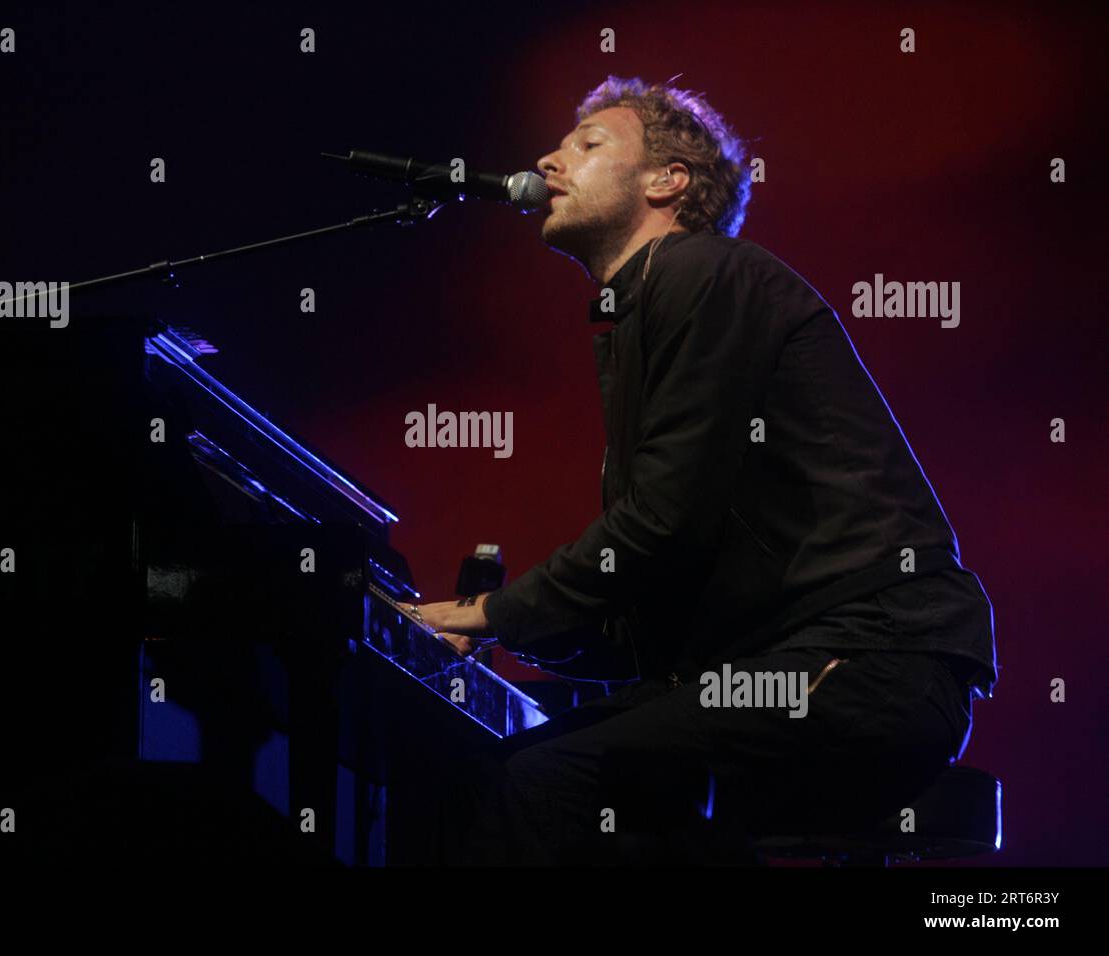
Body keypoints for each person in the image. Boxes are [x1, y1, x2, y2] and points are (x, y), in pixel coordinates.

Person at [399, 75, 998, 865]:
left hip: (868, 659)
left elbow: (664, 520)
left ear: (666, 181)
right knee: (492, 765)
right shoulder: (646, 308)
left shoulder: (703, 273)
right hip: (782, 660)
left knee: (552, 781)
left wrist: (495, 615)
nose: (548, 159)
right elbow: (655, 598)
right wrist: (508, 630)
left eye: (588, 144)